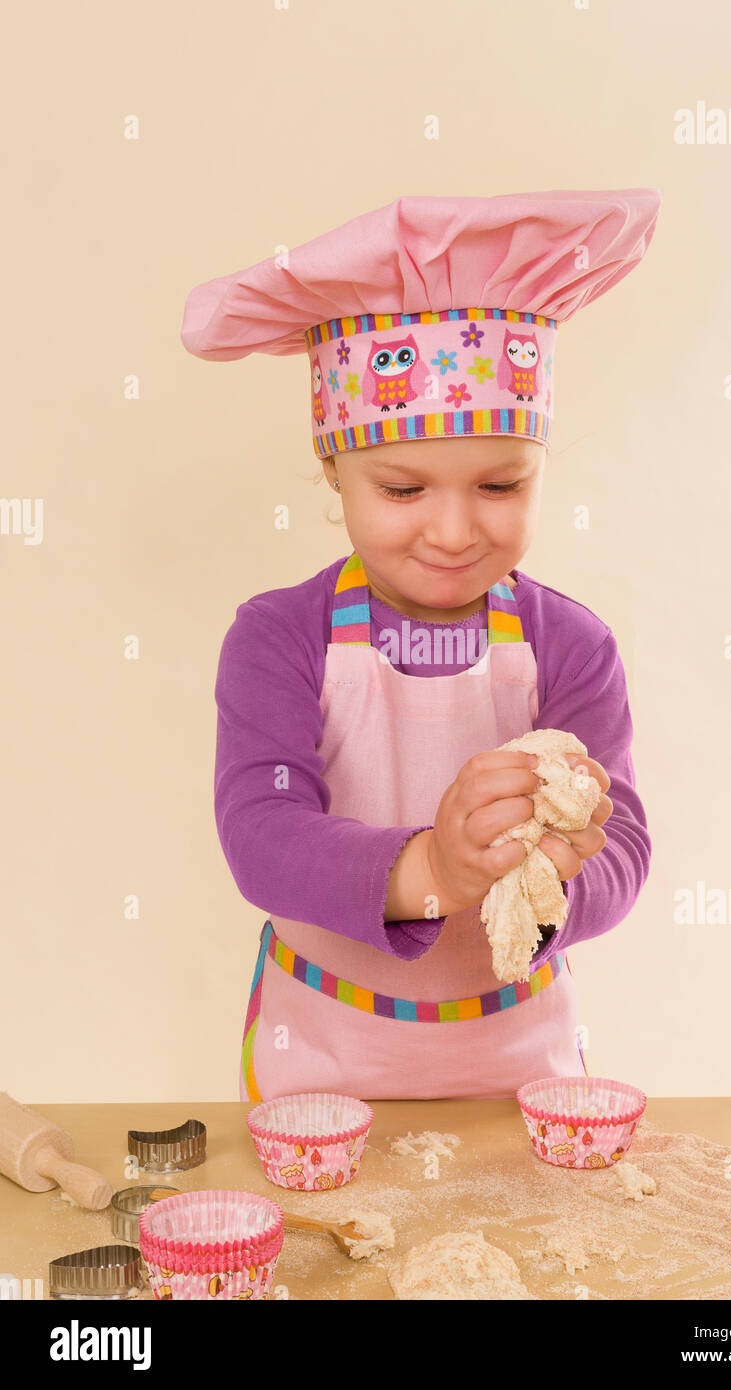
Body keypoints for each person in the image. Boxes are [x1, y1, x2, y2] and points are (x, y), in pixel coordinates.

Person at [181, 189, 661, 1101]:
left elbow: (624, 841)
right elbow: (263, 837)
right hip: (324, 1060)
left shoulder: (570, 644)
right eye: (403, 491)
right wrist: (434, 869)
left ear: (540, 467)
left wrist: (556, 878)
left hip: (520, 1061)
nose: (452, 531)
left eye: (499, 485)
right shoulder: (279, 638)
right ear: (334, 469)